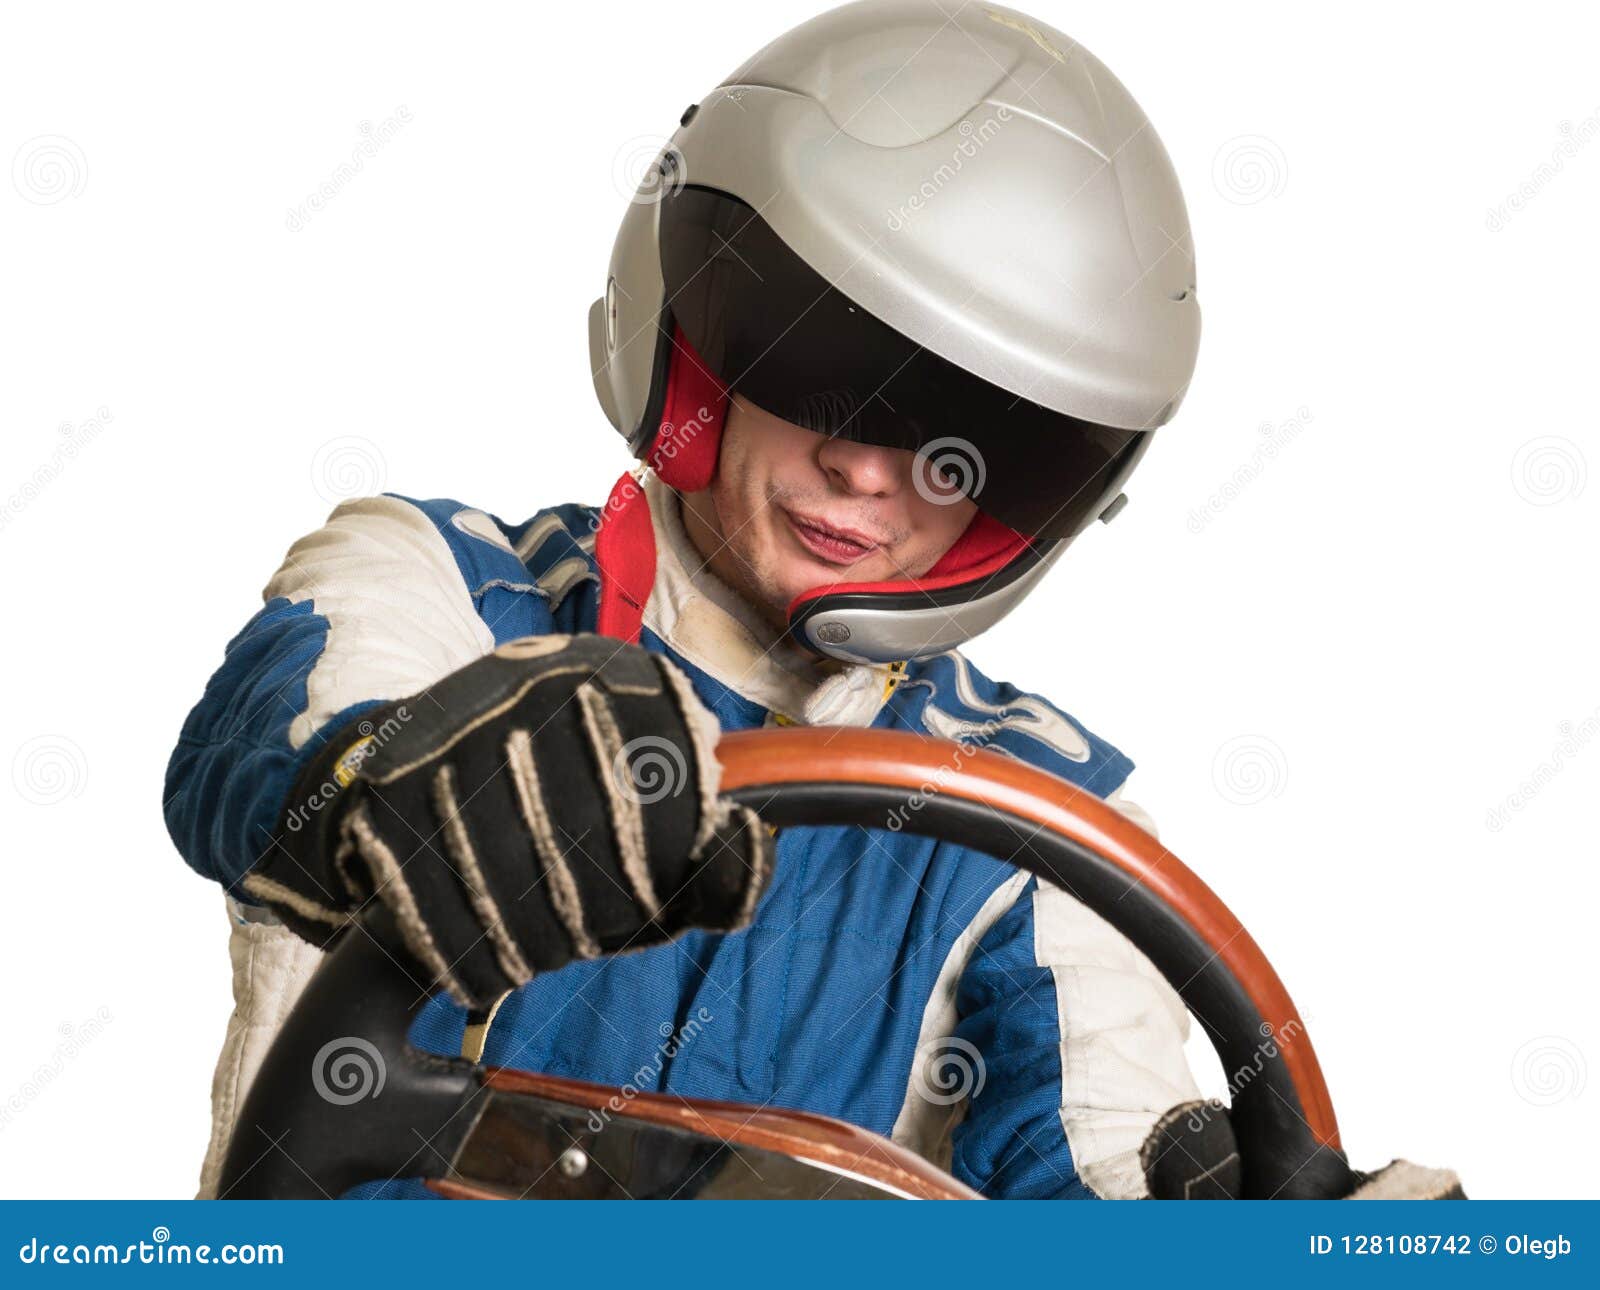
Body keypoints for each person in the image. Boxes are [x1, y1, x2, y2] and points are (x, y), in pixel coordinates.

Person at [164, 0, 1219, 1200]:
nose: (870, 474)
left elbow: (1106, 1148)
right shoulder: (439, 585)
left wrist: (1247, 1225)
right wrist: (395, 794)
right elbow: (290, 755)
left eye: (969, 441)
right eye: (837, 371)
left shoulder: (1041, 818)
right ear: (706, 342)